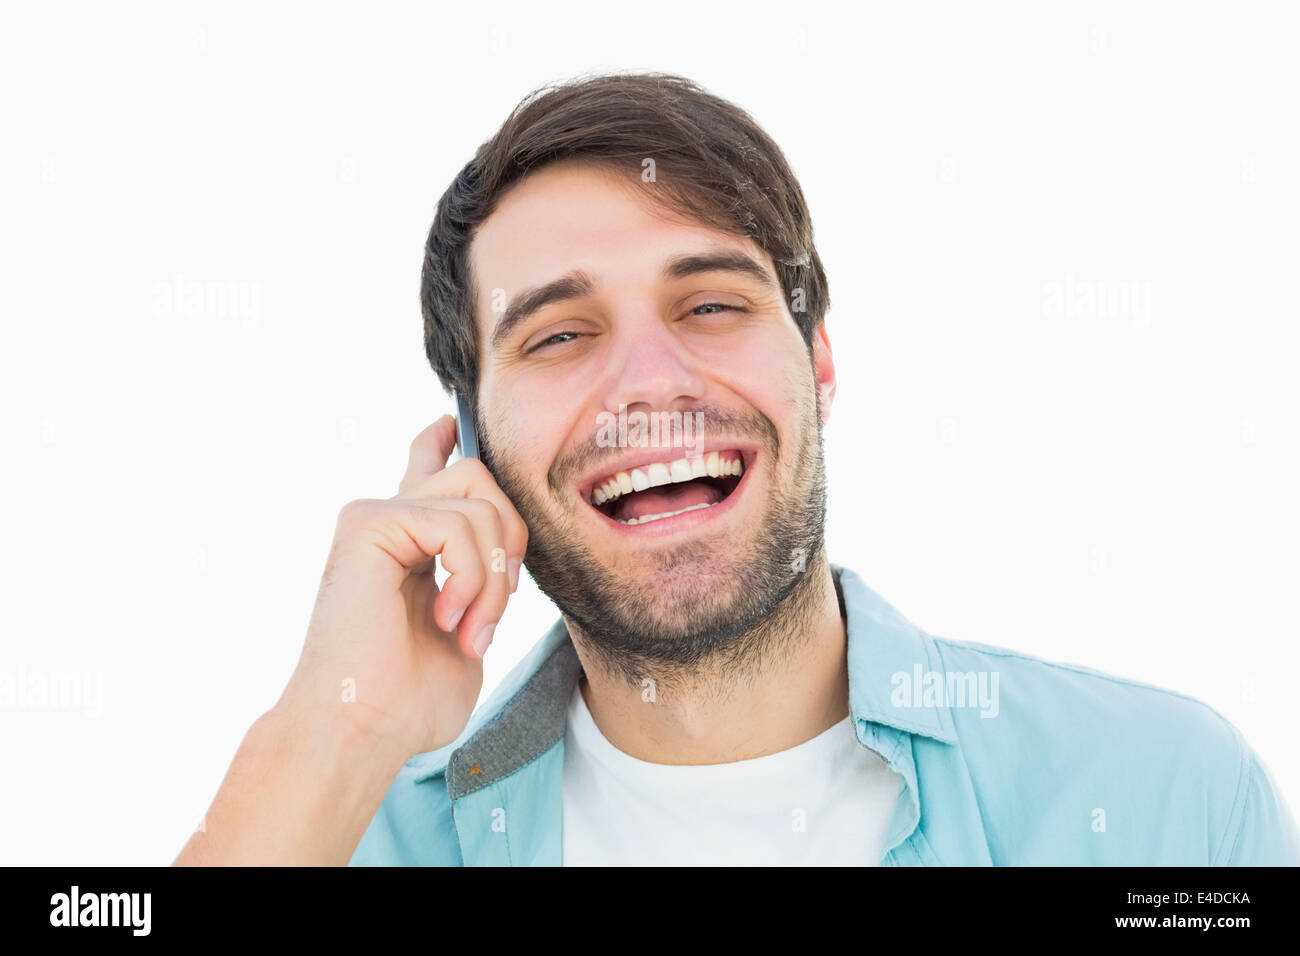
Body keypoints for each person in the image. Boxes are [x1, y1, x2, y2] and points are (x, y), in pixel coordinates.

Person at [174, 71, 1300, 866]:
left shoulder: (1159, 796)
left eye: (710, 304)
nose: (649, 386)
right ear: (469, 446)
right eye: (560, 335)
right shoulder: (337, 839)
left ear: (816, 362)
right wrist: (335, 726)